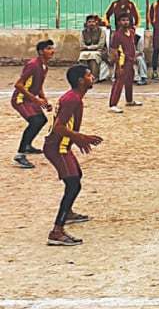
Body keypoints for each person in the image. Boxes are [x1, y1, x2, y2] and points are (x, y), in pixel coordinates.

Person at [43, 65, 103, 246]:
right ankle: (57, 231)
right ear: (80, 81)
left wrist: (76, 140)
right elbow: (59, 127)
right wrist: (81, 137)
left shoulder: (74, 97)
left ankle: (67, 212)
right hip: (57, 148)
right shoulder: (73, 100)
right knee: (73, 184)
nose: (92, 77)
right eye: (89, 75)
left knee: (77, 177)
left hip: (62, 146)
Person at [11, 39, 54, 169]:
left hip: (29, 99)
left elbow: (39, 86)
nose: (52, 51)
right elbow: (18, 85)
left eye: (52, 48)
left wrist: (44, 100)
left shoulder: (44, 66)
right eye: (48, 48)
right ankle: (20, 155)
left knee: (41, 120)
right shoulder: (33, 64)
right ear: (41, 52)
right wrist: (36, 100)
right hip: (20, 99)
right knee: (35, 121)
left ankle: (28, 146)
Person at [108, 13, 143, 113]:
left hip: (130, 60)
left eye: (127, 20)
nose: (125, 22)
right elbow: (114, 51)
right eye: (123, 20)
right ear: (119, 22)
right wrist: (118, 65)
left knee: (129, 80)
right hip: (122, 61)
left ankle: (129, 100)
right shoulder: (117, 35)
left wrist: (134, 56)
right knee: (119, 82)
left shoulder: (131, 32)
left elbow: (131, 46)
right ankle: (113, 104)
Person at [78, 14, 110, 82]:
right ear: (86, 23)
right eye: (89, 22)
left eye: (93, 22)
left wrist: (89, 47)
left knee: (94, 56)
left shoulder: (101, 31)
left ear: (96, 23)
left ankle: (94, 77)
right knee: (82, 55)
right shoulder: (83, 32)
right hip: (86, 50)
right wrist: (90, 48)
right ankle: (84, 77)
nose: (91, 23)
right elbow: (82, 45)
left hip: (101, 51)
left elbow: (101, 45)